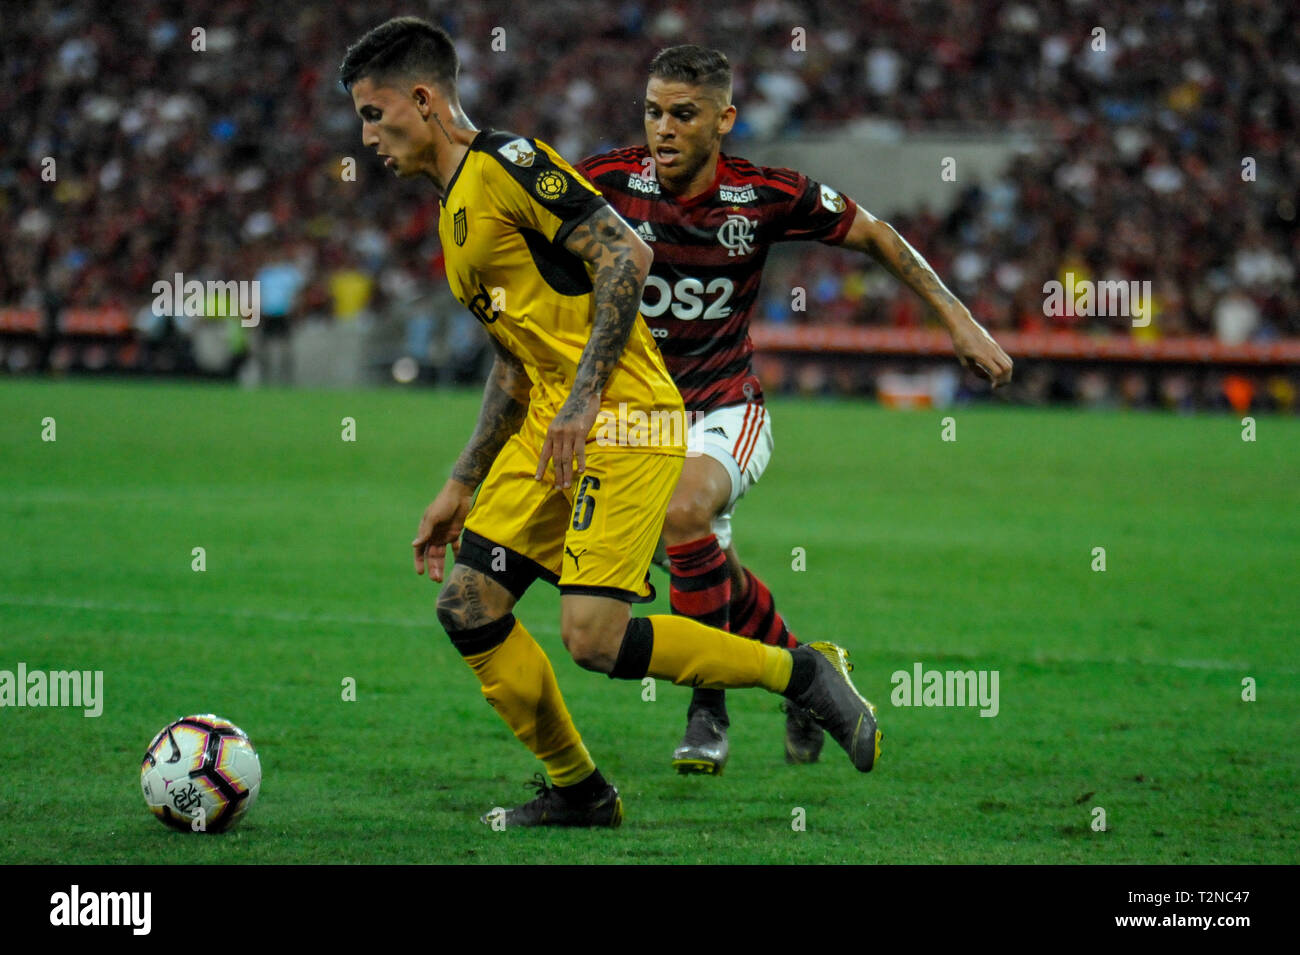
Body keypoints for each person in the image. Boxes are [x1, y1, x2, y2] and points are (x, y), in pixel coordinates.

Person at [340, 19, 883, 828]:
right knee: (468, 604)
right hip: (550, 425)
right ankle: (581, 792)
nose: (366, 135)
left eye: (374, 113)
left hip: (626, 414)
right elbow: (514, 364)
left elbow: (627, 252)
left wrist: (588, 396)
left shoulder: (508, 165)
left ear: (423, 100)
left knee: (593, 638)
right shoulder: (455, 219)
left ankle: (798, 673)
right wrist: (461, 480)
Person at [576, 46, 1013, 774]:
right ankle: (807, 671)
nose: (664, 128)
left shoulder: (764, 194)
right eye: (653, 111)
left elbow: (873, 232)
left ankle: (707, 707)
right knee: (712, 565)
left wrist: (959, 322)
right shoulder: (604, 182)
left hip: (726, 407)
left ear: (725, 120)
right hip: (636, 423)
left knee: (684, 515)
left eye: (683, 114)